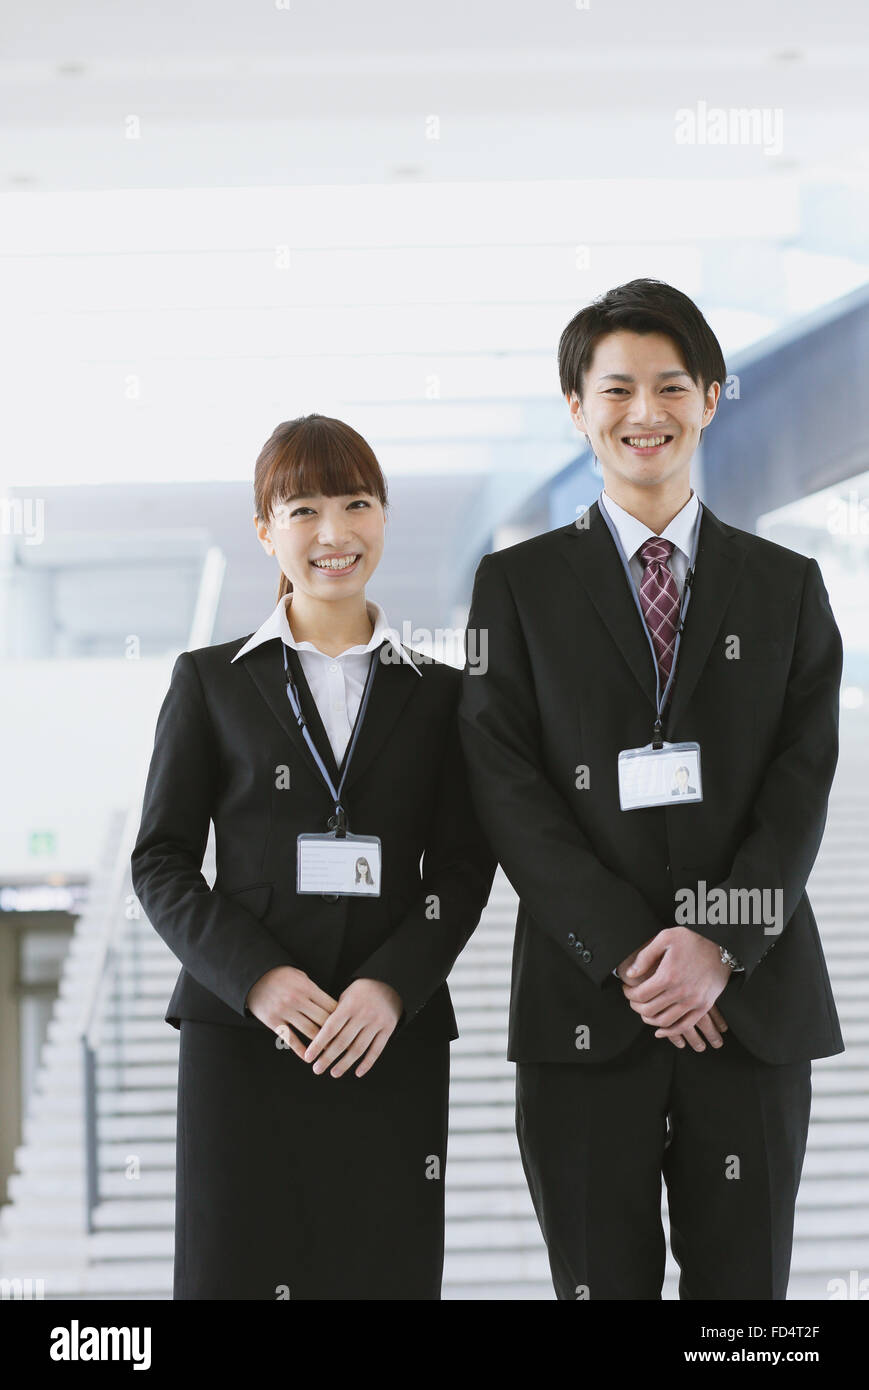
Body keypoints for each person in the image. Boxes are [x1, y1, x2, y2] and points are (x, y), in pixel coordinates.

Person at [458, 278, 844, 1301]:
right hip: (588, 1008)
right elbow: (505, 783)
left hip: (747, 1008)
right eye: (615, 388)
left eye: (670, 386)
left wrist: (716, 944)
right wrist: (635, 949)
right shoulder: (517, 588)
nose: (643, 413)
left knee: (744, 1310)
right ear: (576, 408)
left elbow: (799, 786)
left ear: (710, 399)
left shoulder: (786, 588)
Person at [131, 413, 496, 1300]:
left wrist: (391, 985)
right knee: (234, 1273)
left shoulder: (443, 693)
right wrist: (256, 978)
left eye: (356, 503)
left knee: (384, 1272)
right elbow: (162, 861)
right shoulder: (210, 681)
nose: (333, 533)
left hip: (387, 1041)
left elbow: (462, 868)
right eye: (302, 509)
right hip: (244, 1041)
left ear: (382, 517)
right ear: (265, 531)